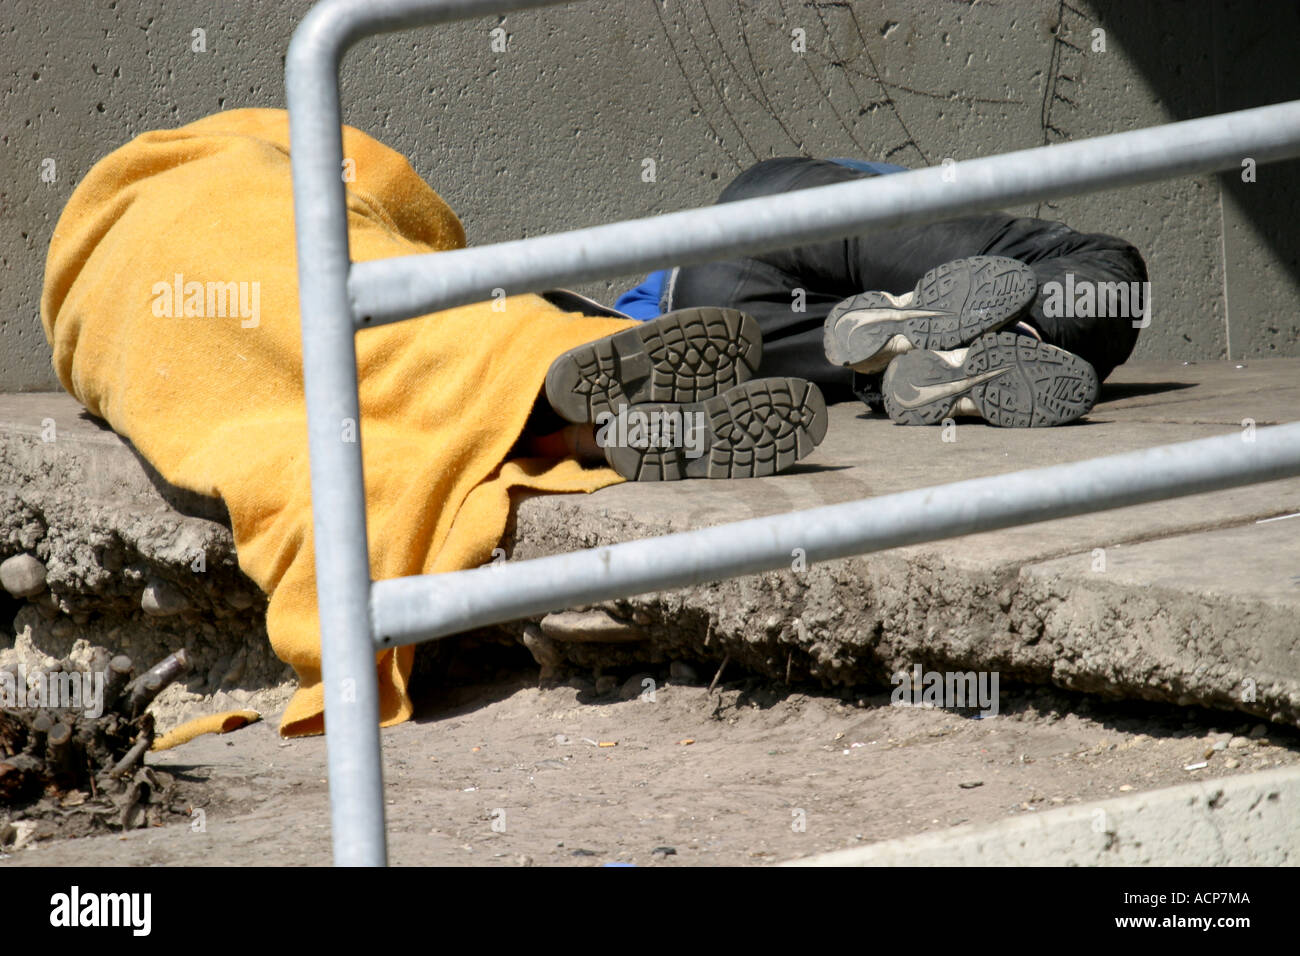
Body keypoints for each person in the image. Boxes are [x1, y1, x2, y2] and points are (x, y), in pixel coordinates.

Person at [615, 157, 1149, 429]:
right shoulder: (886, 190)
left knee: (872, 367)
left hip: (716, 349)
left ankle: (934, 355)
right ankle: (992, 337)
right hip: (765, 221)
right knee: (1105, 268)